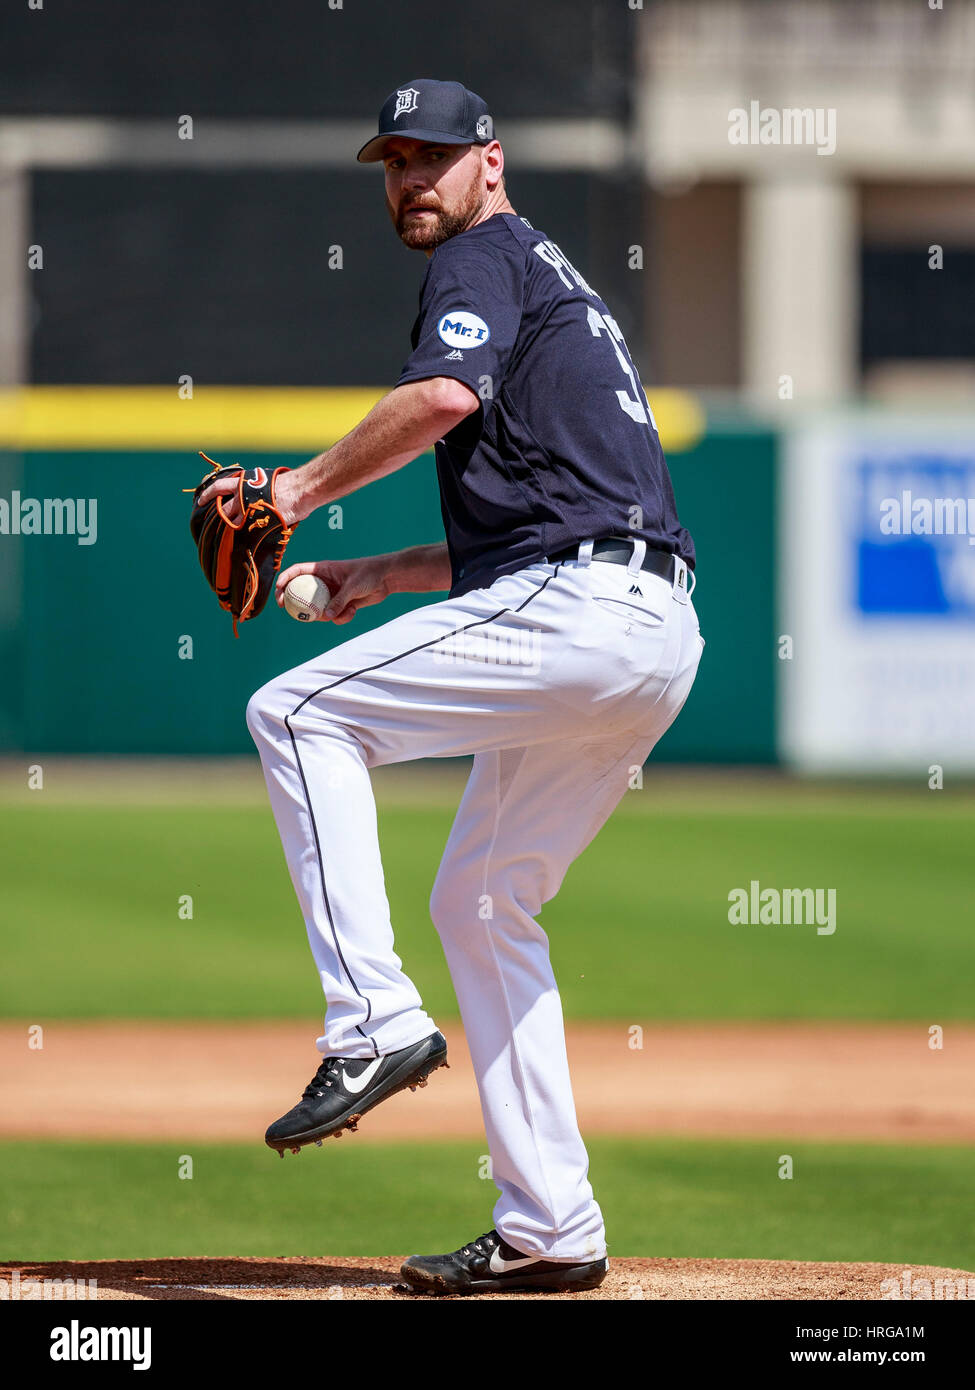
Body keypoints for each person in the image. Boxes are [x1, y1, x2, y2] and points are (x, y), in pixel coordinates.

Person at [197, 78, 703, 1296]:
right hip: (650, 629)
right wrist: (374, 574)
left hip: (586, 612)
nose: (412, 180)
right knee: (482, 903)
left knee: (296, 712)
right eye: (393, 161)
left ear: (492, 162)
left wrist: (297, 490)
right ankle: (550, 1224)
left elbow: (441, 398)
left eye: (433, 156)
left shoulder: (482, 257)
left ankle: (369, 1025)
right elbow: (534, 530)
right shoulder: (561, 283)